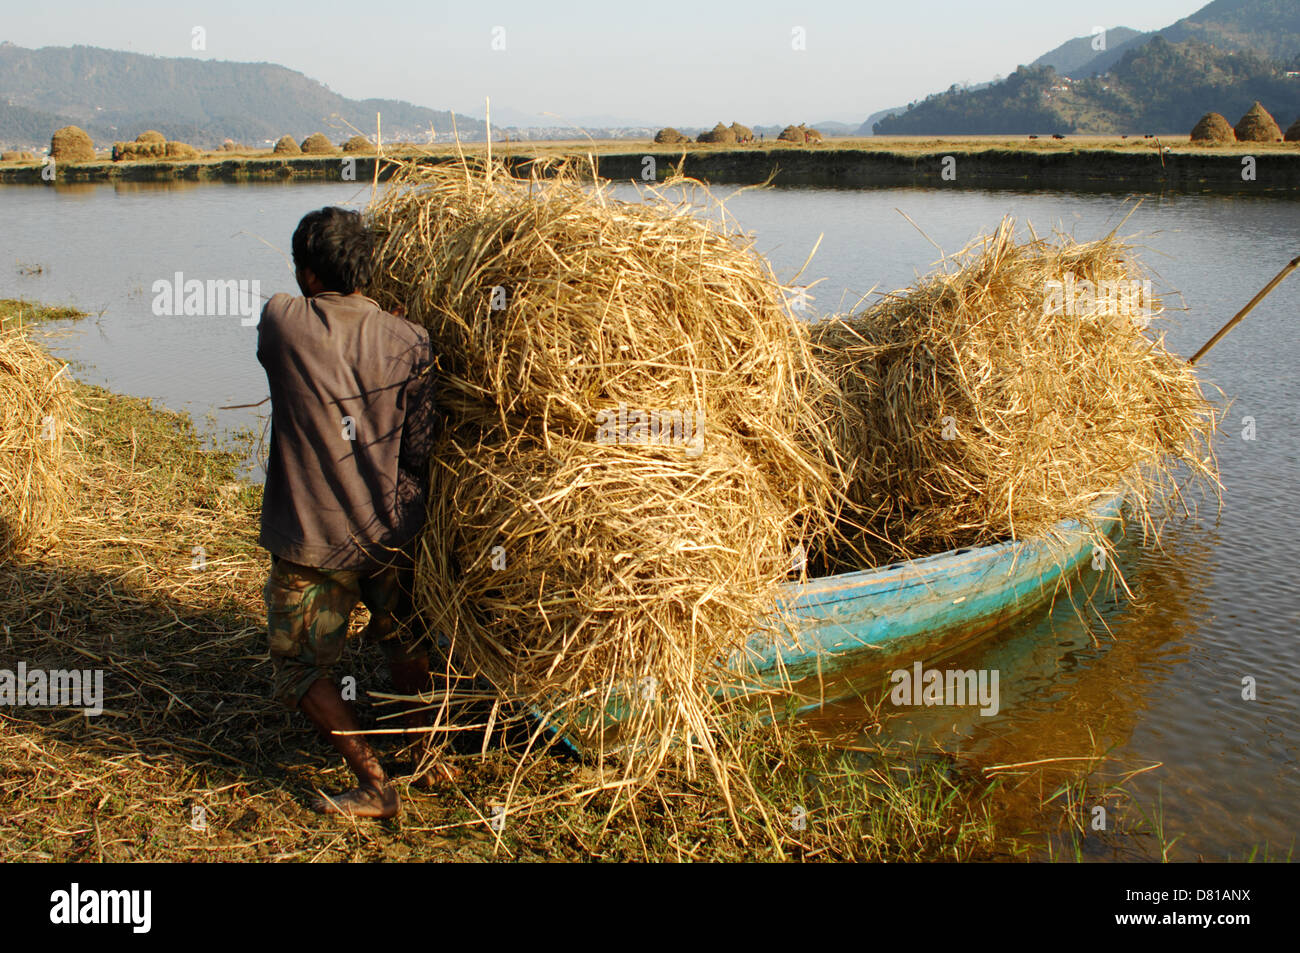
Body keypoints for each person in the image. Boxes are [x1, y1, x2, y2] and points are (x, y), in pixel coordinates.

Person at [256, 206, 438, 819]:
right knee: (404, 638)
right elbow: (417, 452)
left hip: (312, 540)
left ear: (308, 274)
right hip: (388, 533)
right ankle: (427, 751)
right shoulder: (410, 340)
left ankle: (374, 782)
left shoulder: (281, 322)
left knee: (300, 668)